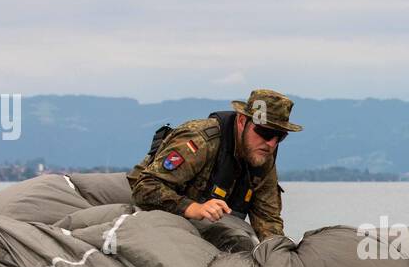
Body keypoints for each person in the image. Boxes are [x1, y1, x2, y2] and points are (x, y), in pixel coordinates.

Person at [127, 88, 298, 241]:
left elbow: (268, 221)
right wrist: (194, 208)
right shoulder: (201, 140)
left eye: (280, 136)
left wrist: (278, 255)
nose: (271, 143)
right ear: (241, 121)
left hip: (190, 216)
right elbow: (145, 188)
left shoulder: (263, 158)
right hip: (136, 188)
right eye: (265, 132)